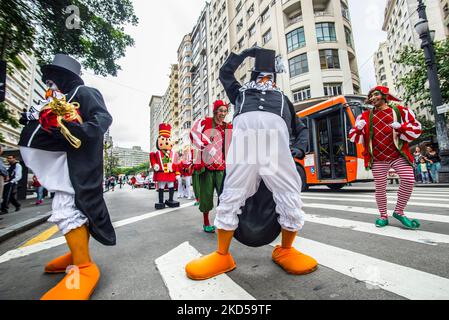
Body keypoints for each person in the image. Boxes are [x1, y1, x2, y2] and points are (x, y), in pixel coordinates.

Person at [185, 47, 316, 280]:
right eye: (260, 76)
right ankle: (222, 254)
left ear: (275, 79)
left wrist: (297, 150)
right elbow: (225, 73)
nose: (265, 79)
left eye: (270, 76)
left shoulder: (284, 100)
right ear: (253, 77)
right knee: (232, 194)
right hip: (244, 150)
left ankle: (286, 249)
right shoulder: (240, 94)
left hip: (275, 153)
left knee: (288, 194)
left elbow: (300, 128)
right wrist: (245, 54)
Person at [18, 53, 116, 300]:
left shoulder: (84, 93)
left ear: (63, 78)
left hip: (77, 165)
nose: (48, 88)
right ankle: (76, 253)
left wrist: (75, 129)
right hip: (64, 162)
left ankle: (83, 267)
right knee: (70, 206)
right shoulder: (57, 99)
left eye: (51, 82)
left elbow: (102, 119)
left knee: (68, 207)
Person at [349, 85, 422, 229]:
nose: (372, 98)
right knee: (380, 187)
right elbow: (352, 136)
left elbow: (417, 127)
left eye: (376, 94)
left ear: (384, 95)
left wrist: (401, 127)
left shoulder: (400, 111)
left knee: (408, 179)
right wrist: (358, 129)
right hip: (377, 157)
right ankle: (383, 215)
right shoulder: (364, 116)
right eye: (371, 96)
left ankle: (399, 211)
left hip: (398, 154)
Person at [189, 100, 233, 233]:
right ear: (215, 111)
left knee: (224, 196)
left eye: (225, 111)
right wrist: (206, 145)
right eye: (220, 111)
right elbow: (193, 133)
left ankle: (222, 221)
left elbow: (231, 146)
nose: (223, 113)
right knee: (206, 196)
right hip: (207, 167)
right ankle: (206, 222)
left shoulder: (228, 127)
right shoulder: (206, 122)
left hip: (221, 167)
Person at [150, 123, 180, 210]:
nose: (166, 141)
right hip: (161, 173)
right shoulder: (157, 153)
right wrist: (155, 164)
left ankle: (170, 199)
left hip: (170, 174)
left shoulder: (173, 153)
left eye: (168, 139)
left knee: (171, 186)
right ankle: (161, 201)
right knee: (161, 187)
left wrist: (177, 173)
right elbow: (153, 160)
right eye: (163, 139)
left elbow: (176, 164)